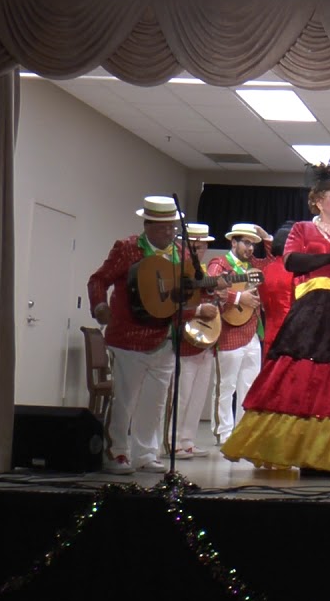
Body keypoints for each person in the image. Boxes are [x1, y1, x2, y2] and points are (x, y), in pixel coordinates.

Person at [222, 166, 330, 476]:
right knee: (304, 381)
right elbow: (292, 260)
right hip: (312, 315)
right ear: (319, 202)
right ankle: (304, 453)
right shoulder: (303, 229)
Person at [87, 196, 221, 474]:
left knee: (156, 400)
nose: (168, 233)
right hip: (129, 336)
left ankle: (146, 453)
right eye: (161, 228)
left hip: (165, 337)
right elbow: (99, 279)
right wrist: (100, 305)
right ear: (147, 225)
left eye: (172, 227)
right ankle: (117, 452)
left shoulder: (182, 254)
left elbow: (181, 296)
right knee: (125, 398)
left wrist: (202, 302)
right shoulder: (127, 249)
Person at [209, 222, 272, 445]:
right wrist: (238, 298)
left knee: (249, 384)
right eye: (246, 242)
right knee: (226, 386)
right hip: (229, 332)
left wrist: (265, 237)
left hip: (252, 331)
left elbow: (273, 263)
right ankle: (224, 434)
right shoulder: (221, 264)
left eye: (253, 244)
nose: (251, 248)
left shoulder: (253, 265)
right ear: (233, 242)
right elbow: (211, 289)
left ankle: (242, 433)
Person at [170, 222, 219, 459]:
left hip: (204, 340)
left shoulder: (203, 272)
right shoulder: (177, 271)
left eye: (202, 247)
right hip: (183, 340)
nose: (200, 252)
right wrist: (199, 309)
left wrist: (217, 292)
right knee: (182, 394)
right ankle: (174, 441)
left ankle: (188, 440)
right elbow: (172, 304)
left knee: (198, 394)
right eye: (196, 247)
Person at [259, 221, 296, 360]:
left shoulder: (266, 270)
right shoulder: (295, 271)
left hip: (270, 332)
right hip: (290, 334)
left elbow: (263, 304)